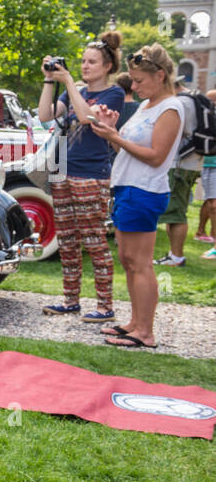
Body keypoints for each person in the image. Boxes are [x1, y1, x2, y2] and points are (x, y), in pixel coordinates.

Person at [88, 44, 184, 348]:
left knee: (140, 263)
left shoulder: (171, 107)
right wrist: (112, 131)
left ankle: (145, 332)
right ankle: (135, 323)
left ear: (160, 75)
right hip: (128, 187)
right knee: (128, 259)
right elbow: (127, 150)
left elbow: (156, 157)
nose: (135, 86)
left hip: (145, 190)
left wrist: (115, 137)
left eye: (140, 81)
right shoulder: (146, 105)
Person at [36, 31, 124, 322]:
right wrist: (50, 80)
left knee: (94, 240)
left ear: (107, 66)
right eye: (83, 61)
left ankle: (105, 306)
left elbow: (89, 119)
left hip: (91, 175)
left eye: (92, 62)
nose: (85, 66)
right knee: (68, 241)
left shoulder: (114, 93)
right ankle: (70, 301)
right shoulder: (74, 91)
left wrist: (70, 82)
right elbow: (45, 115)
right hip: (64, 172)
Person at [154, 77, 201, 266]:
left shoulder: (180, 103)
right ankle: (174, 255)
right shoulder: (194, 98)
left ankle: (176, 257)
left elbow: (173, 132)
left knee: (176, 212)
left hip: (180, 164)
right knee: (177, 209)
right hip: (192, 163)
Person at [198, 89, 216, 256]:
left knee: (213, 204)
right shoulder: (206, 120)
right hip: (209, 164)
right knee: (211, 203)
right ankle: (203, 233)